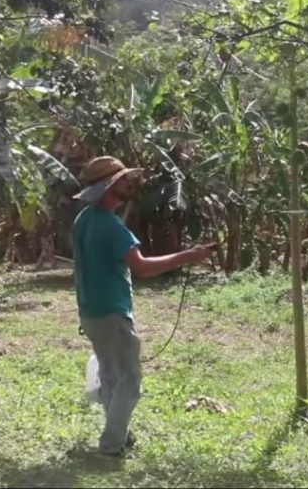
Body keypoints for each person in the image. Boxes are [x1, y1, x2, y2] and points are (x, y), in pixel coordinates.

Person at [71, 156, 215, 457]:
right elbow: (142, 268)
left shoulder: (83, 218)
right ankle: (112, 445)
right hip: (112, 311)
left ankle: (119, 433)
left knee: (111, 377)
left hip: (90, 310)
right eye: (124, 180)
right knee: (131, 381)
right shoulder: (111, 225)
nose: (130, 184)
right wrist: (187, 256)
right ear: (109, 187)